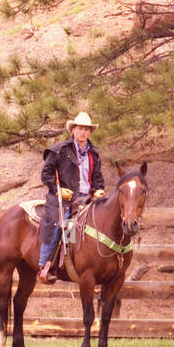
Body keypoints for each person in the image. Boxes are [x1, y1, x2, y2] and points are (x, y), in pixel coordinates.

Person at [38, 112, 106, 282]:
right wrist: (58, 190)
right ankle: (47, 265)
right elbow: (46, 174)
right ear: (73, 130)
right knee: (60, 222)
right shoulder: (60, 150)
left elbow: (97, 178)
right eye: (80, 128)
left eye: (86, 129)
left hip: (87, 199)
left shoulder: (94, 155)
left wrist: (98, 190)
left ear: (90, 132)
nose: (83, 132)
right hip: (65, 198)